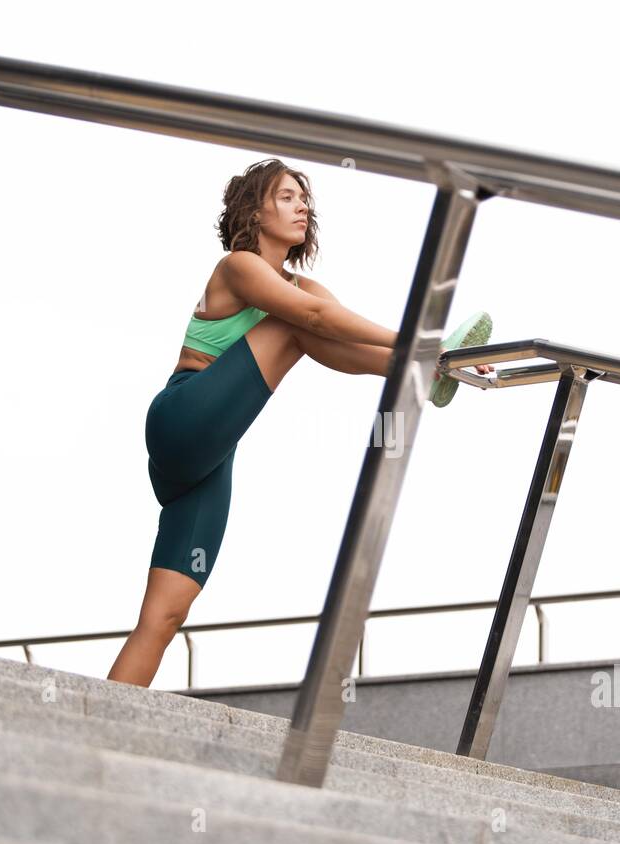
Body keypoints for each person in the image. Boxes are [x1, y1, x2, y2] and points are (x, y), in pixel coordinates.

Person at [106, 158, 494, 686]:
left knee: (165, 616)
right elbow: (310, 323)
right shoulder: (238, 267)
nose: (302, 206)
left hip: (210, 458)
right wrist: (425, 343)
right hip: (181, 419)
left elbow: (340, 343)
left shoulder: (304, 289)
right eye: (287, 197)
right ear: (254, 210)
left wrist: (439, 363)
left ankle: (102, 729)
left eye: (303, 199)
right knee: (292, 326)